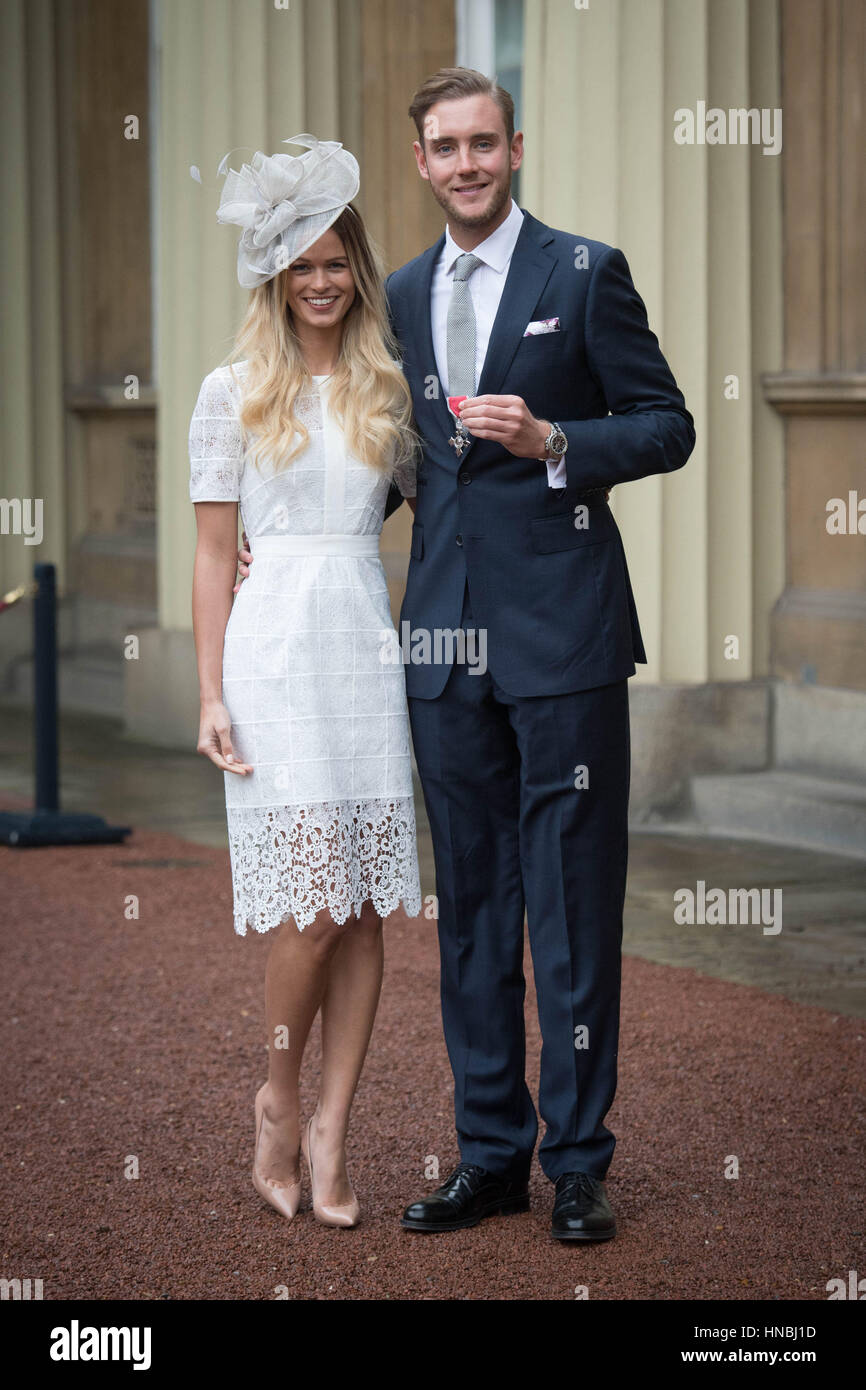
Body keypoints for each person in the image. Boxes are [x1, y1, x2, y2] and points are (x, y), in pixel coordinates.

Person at [239, 70, 695, 1243]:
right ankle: (489, 1155)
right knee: (474, 913)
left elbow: (666, 424)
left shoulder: (584, 272)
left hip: (567, 641)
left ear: (514, 148)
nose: (465, 163)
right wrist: (277, 548)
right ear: (419, 162)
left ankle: (578, 1163)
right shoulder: (390, 295)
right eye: (443, 147)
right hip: (441, 648)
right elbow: (384, 465)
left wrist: (553, 441)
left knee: (571, 909)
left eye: (482, 143)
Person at [189, 134, 421, 1230]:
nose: (321, 281)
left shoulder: (387, 386)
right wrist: (206, 693)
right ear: (273, 276)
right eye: (302, 264)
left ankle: (336, 1125)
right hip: (271, 652)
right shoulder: (229, 391)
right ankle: (276, 1098)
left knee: (370, 909)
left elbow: (427, 505)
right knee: (316, 908)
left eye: (337, 263)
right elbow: (207, 556)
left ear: (355, 272)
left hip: (363, 650)